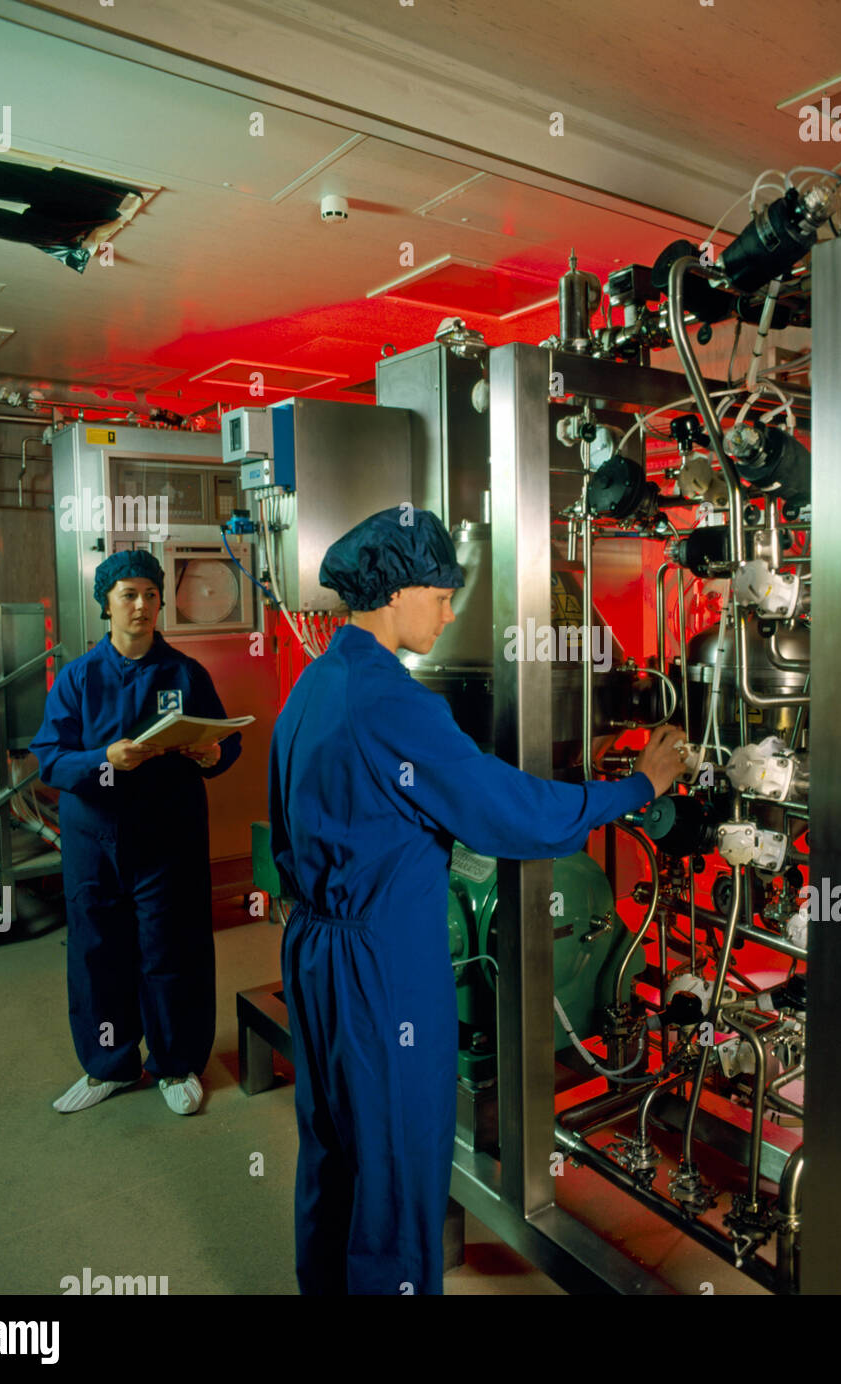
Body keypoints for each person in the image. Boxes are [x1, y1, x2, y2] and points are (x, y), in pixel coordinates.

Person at [269, 505, 686, 1295]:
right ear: (396, 594)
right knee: (397, 1160)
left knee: (334, 1145)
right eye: (442, 594)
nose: (453, 610)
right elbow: (508, 811)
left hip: (316, 951)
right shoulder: (395, 702)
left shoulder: (315, 684)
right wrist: (637, 786)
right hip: (382, 961)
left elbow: (290, 833)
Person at [30, 549, 243, 1115]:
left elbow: (227, 743)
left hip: (167, 838)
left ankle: (176, 1064)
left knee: (170, 949)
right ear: (106, 603)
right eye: (129, 594)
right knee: (99, 951)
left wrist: (210, 753)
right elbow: (50, 758)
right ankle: (110, 1065)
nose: (142, 605)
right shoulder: (79, 678)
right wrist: (104, 759)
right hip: (94, 841)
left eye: (151, 594)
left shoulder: (185, 674)